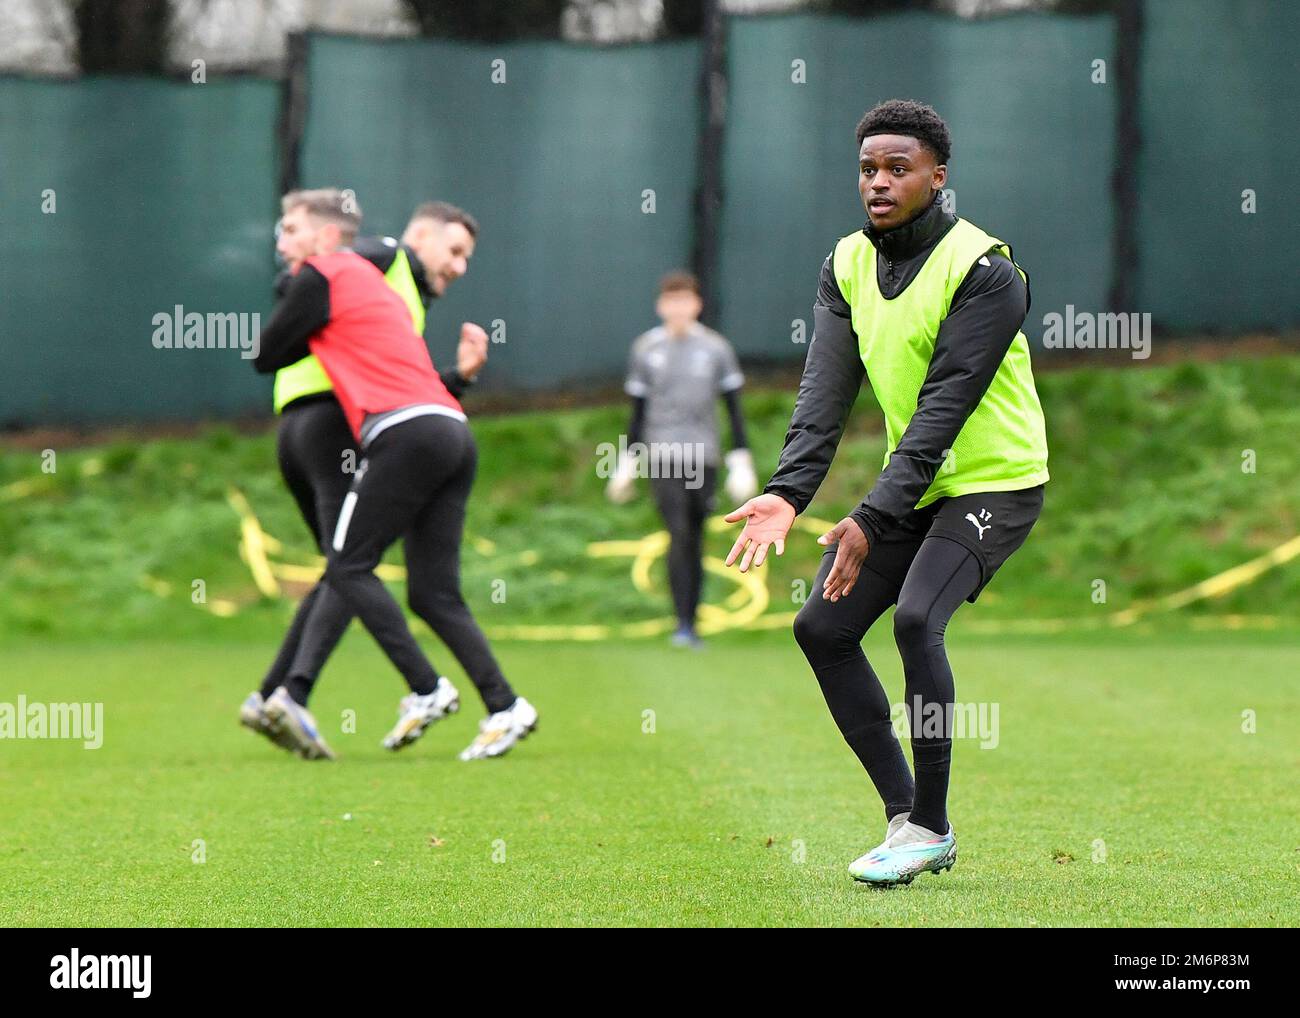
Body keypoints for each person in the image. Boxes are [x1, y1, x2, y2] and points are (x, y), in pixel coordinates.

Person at [723, 100, 1049, 885]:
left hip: (995, 481)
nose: (878, 182)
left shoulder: (987, 272)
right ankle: (907, 816)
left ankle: (931, 827)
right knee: (822, 629)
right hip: (921, 485)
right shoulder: (846, 264)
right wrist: (788, 494)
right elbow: (824, 393)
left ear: (938, 178)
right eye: (868, 168)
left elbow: (945, 406)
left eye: (897, 169)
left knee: (913, 619)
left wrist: (871, 516)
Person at [249, 189, 537, 762]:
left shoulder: (336, 269)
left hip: (404, 433)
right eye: (454, 252)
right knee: (432, 593)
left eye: (291, 231)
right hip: (451, 430)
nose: (284, 245)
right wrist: (459, 377)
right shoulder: (384, 268)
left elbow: (267, 348)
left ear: (325, 239)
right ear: (421, 237)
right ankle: (506, 706)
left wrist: (298, 306)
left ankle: (424, 688)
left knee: (348, 564)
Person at [607, 271, 757, 648]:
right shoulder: (646, 349)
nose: (677, 308)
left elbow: (733, 409)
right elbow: (637, 413)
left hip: (703, 456)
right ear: (661, 306)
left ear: (696, 305)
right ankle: (681, 624)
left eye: (684, 300)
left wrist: (741, 459)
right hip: (664, 455)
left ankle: (693, 620)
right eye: (670, 301)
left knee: (696, 535)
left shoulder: (716, 349)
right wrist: (628, 461)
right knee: (677, 533)